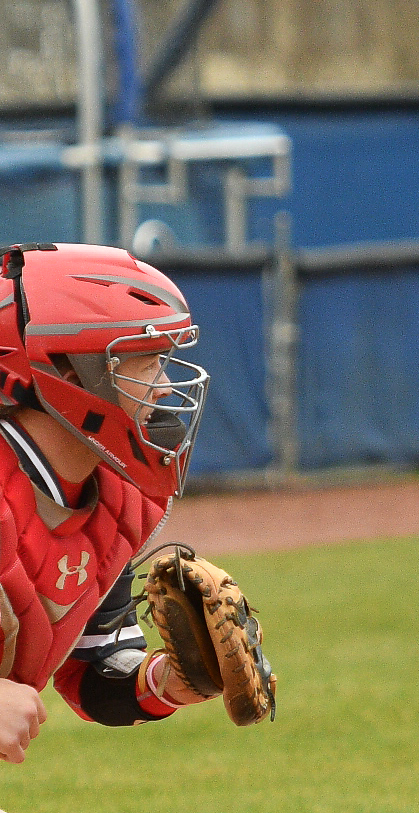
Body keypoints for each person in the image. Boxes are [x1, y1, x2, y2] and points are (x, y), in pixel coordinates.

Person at [0, 242, 216, 764]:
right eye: (145, 363)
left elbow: (95, 662)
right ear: (71, 374)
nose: (165, 388)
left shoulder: (116, 498)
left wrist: (167, 681)